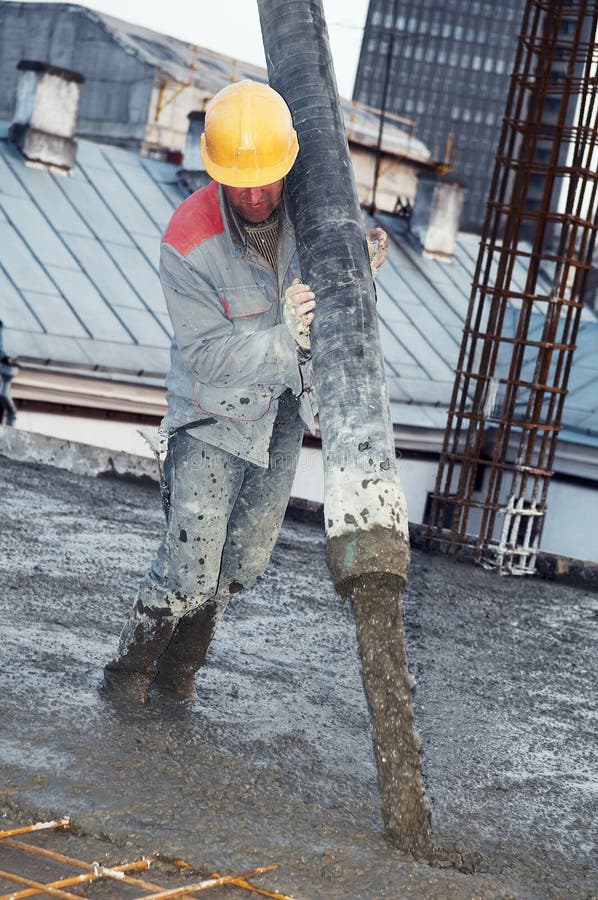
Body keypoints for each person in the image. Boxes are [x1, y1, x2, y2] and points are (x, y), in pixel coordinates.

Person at [104, 79, 388, 702]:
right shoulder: (188, 240)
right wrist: (281, 338)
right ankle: (125, 679)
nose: (256, 194)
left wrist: (354, 273)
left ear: (287, 165)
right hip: (211, 417)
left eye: (268, 178)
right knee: (188, 570)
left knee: (242, 566)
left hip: (280, 413)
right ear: (217, 173)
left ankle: (177, 678)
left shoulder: (306, 211)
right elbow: (205, 354)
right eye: (242, 181)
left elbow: (332, 307)